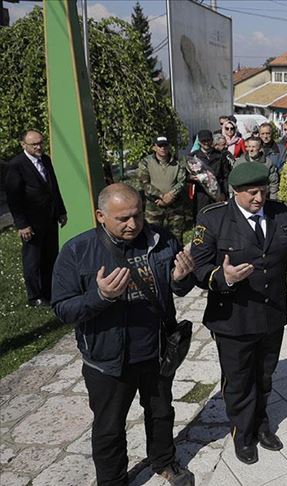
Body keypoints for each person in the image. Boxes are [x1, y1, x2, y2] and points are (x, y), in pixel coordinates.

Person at [52, 183, 196, 486]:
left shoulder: (161, 239)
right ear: (101, 216)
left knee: (160, 413)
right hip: (107, 361)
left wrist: (181, 279)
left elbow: (177, 287)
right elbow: (63, 309)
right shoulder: (76, 251)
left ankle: (164, 461)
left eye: (138, 215)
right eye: (123, 219)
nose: (134, 224)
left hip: (157, 352)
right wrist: (100, 296)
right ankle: (112, 480)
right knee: (109, 428)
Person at [190, 163, 287, 465]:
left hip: (271, 314)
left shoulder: (281, 213)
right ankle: (243, 434)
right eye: (252, 192)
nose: (259, 198)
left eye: (263, 191)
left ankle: (262, 424)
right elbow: (198, 267)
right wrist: (223, 277)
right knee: (239, 381)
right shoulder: (213, 219)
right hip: (233, 318)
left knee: (264, 376)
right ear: (235, 192)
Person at [3, 129, 67, 306]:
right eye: (34, 144)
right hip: (31, 222)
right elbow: (13, 198)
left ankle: (50, 290)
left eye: (41, 142)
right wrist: (22, 224)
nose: (39, 147)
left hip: (49, 217)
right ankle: (35, 295)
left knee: (50, 255)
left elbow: (53, 187)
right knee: (33, 259)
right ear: (24, 145)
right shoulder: (16, 165)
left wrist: (61, 210)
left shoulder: (45, 159)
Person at [137, 136, 189, 243]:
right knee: (151, 234)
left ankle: (176, 255)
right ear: (154, 147)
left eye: (165, 145)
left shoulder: (178, 162)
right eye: (160, 145)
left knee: (177, 235)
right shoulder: (145, 162)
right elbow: (144, 183)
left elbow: (182, 181)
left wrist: (171, 195)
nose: (163, 148)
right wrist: (161, 196)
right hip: (154, 204)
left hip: (175, 204)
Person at [188, 129, 229, 212]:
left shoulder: (220, 155)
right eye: (203, 141)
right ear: (199, 142)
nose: (206, 143)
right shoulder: (193, 157)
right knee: (202, 217)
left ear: (212, 140)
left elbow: (226, 175)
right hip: (201, 194)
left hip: (218, 193)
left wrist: (224, 193)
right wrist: (191, 178)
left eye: (208, 140)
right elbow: (186, 176)